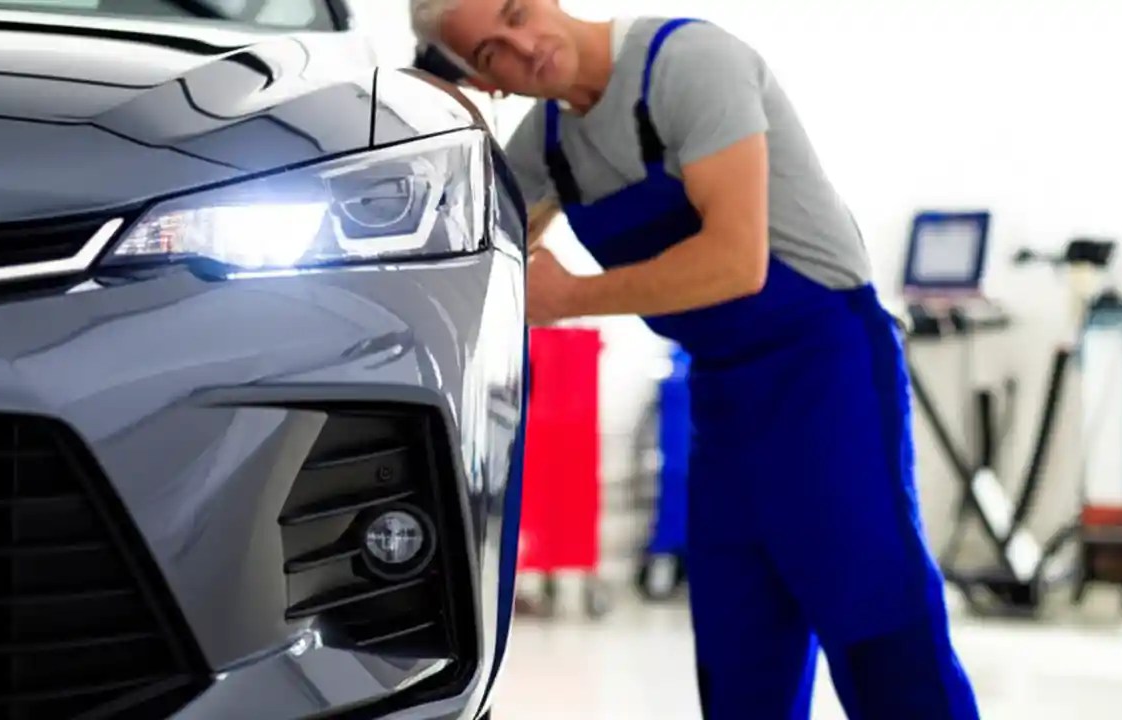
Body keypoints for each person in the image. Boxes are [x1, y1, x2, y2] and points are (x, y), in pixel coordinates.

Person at [409, 1, 981, 718]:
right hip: (722, 390)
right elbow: (461, 247)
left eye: (517, 13)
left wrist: (569, 296)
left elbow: (736, 263)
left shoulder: (686, 64)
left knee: (878, 627)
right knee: (739, 646)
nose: (522, 46)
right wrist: (435, 121)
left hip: (824, 369)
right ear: (483, 79)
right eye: (490, 52)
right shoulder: (545, 144)